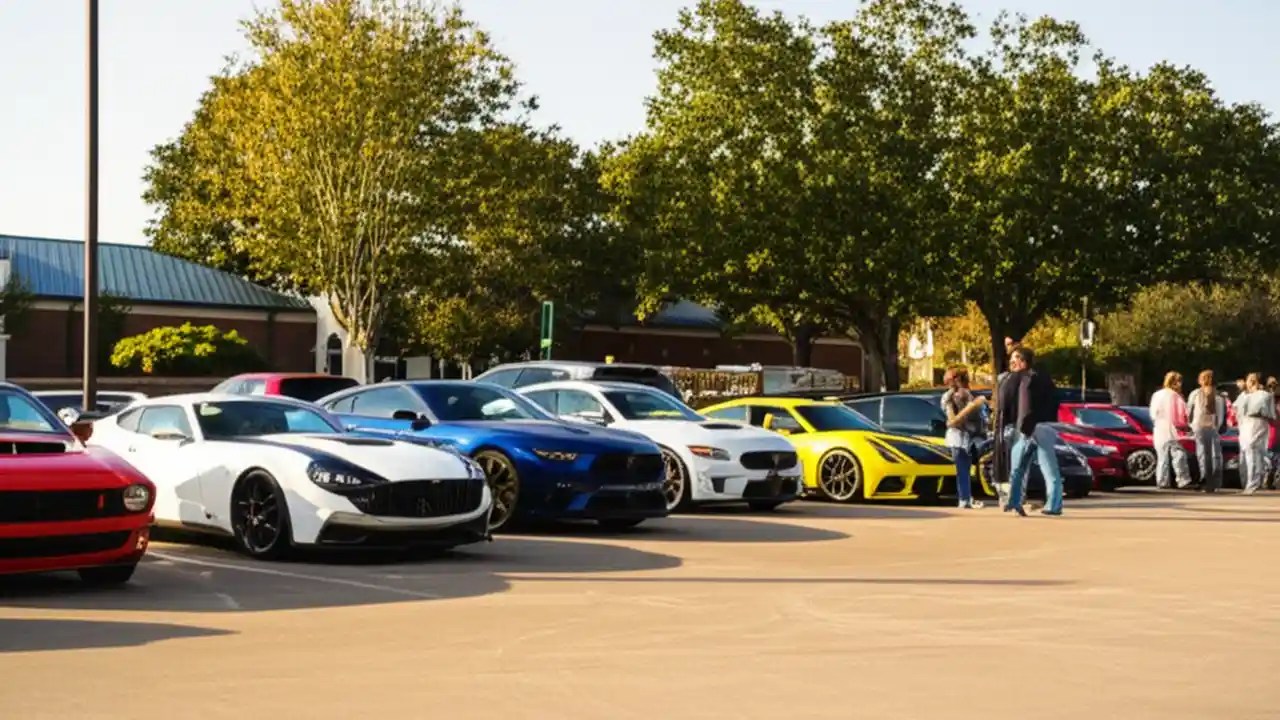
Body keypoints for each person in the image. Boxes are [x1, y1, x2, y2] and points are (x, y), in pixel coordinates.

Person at [1000, 347, 1065, 516]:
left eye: (1014, 360)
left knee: (1018, 467)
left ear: (1023, 361)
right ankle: (1053, 504)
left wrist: (1025, 426)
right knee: (1049, 468)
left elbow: (1026, 406)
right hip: (1044, 426)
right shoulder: (1043, 377)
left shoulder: (1026, 379)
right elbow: (1055, 400)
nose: (1011, 364)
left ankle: (1015, 501)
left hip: (1029, 428)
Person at [941, 367, 986, 509]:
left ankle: (966, 497)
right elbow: (952, 421)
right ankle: (964, 498)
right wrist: (972, 406)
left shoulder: (966, 394)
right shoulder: (949, 397)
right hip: (957, 437)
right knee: (962, 468)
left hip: (969, 436)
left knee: (965, 468)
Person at [1233, 373, 1276, 495]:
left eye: (1253, 380)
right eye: (1249, 380)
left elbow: (1271, 414)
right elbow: (1235, 408)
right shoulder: (1244, 395)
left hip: (1257, 423)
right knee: (1246, 454)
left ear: (1258, 382)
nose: (1250, 382)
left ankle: (1253, 483)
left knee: (1252, 451)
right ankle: (1249, 483)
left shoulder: (1265, 395)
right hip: (1244, 425)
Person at [1186, 370, 1226, 493]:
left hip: (1198, 426)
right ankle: (1215, 482)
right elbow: (1221, 415)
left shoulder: (1195, 394)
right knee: (1215, 455)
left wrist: (1190, 425)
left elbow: (1189, 411)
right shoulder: (1218, 396)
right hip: (1213, 427)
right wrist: (1217, 427)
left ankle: (1204, 479)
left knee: (1202, 454)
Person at [1149, 372, 1191, 489]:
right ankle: (1182, 479)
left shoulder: (1156, 395)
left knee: (1162, 457)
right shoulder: (1176, 396)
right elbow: (1184, 414)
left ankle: (1162, 481)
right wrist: (1186, 426)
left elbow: (1153, 414)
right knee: (1178, 455)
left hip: (1159, 429)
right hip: (1173, 430)